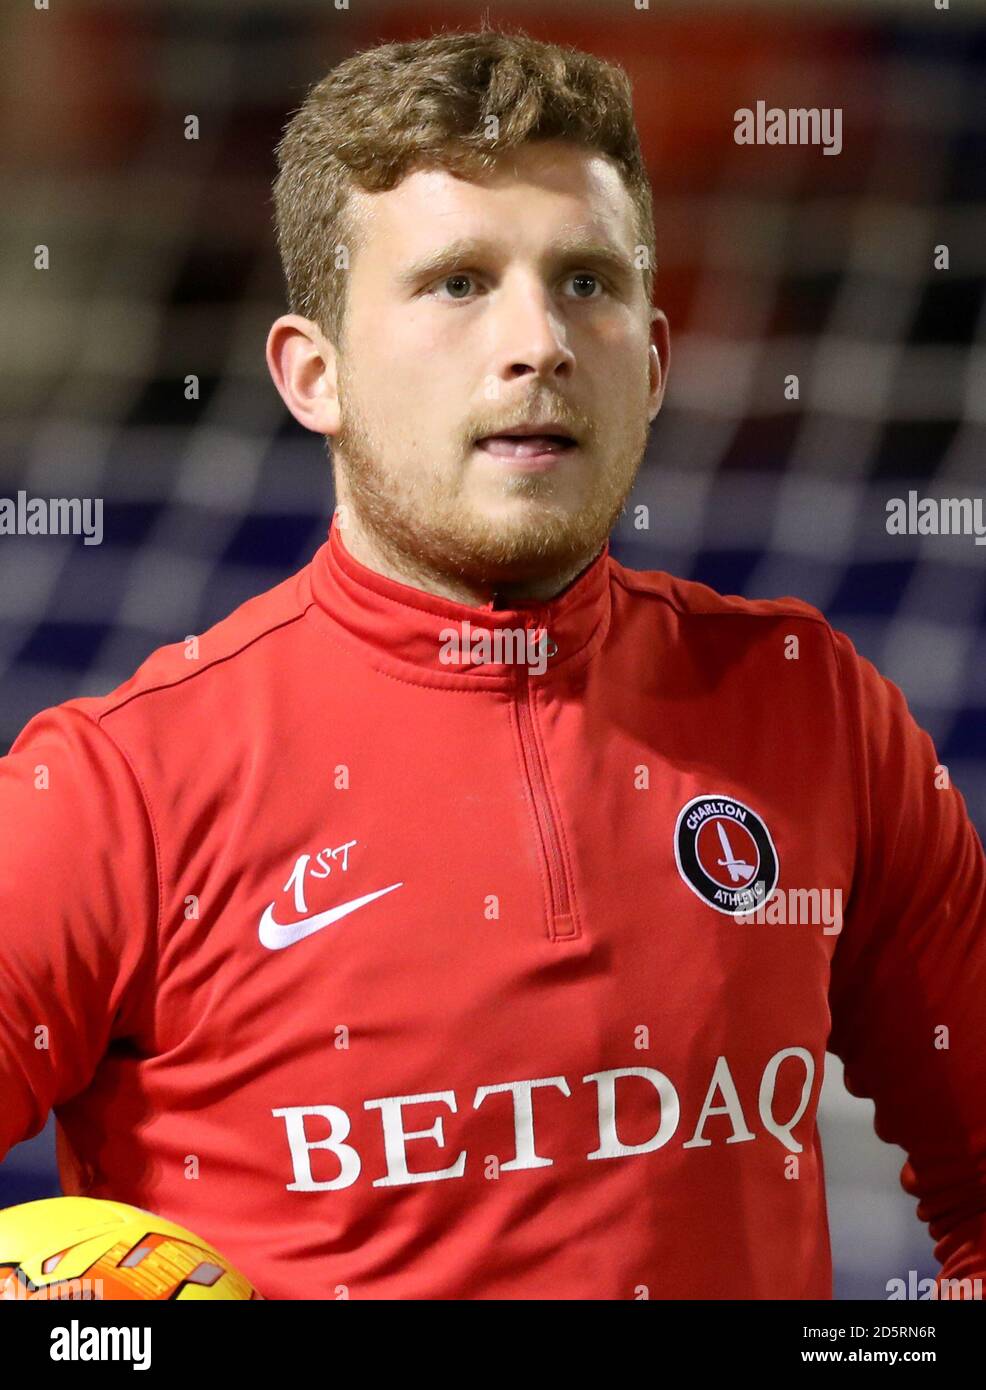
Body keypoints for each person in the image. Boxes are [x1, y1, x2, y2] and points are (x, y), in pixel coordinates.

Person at [0, 27, 983, 1301]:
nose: (538, 343)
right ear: (315, 376)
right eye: (457, 283)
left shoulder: (813, 710)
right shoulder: (115, 791)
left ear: (655, 359)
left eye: (585, 281)